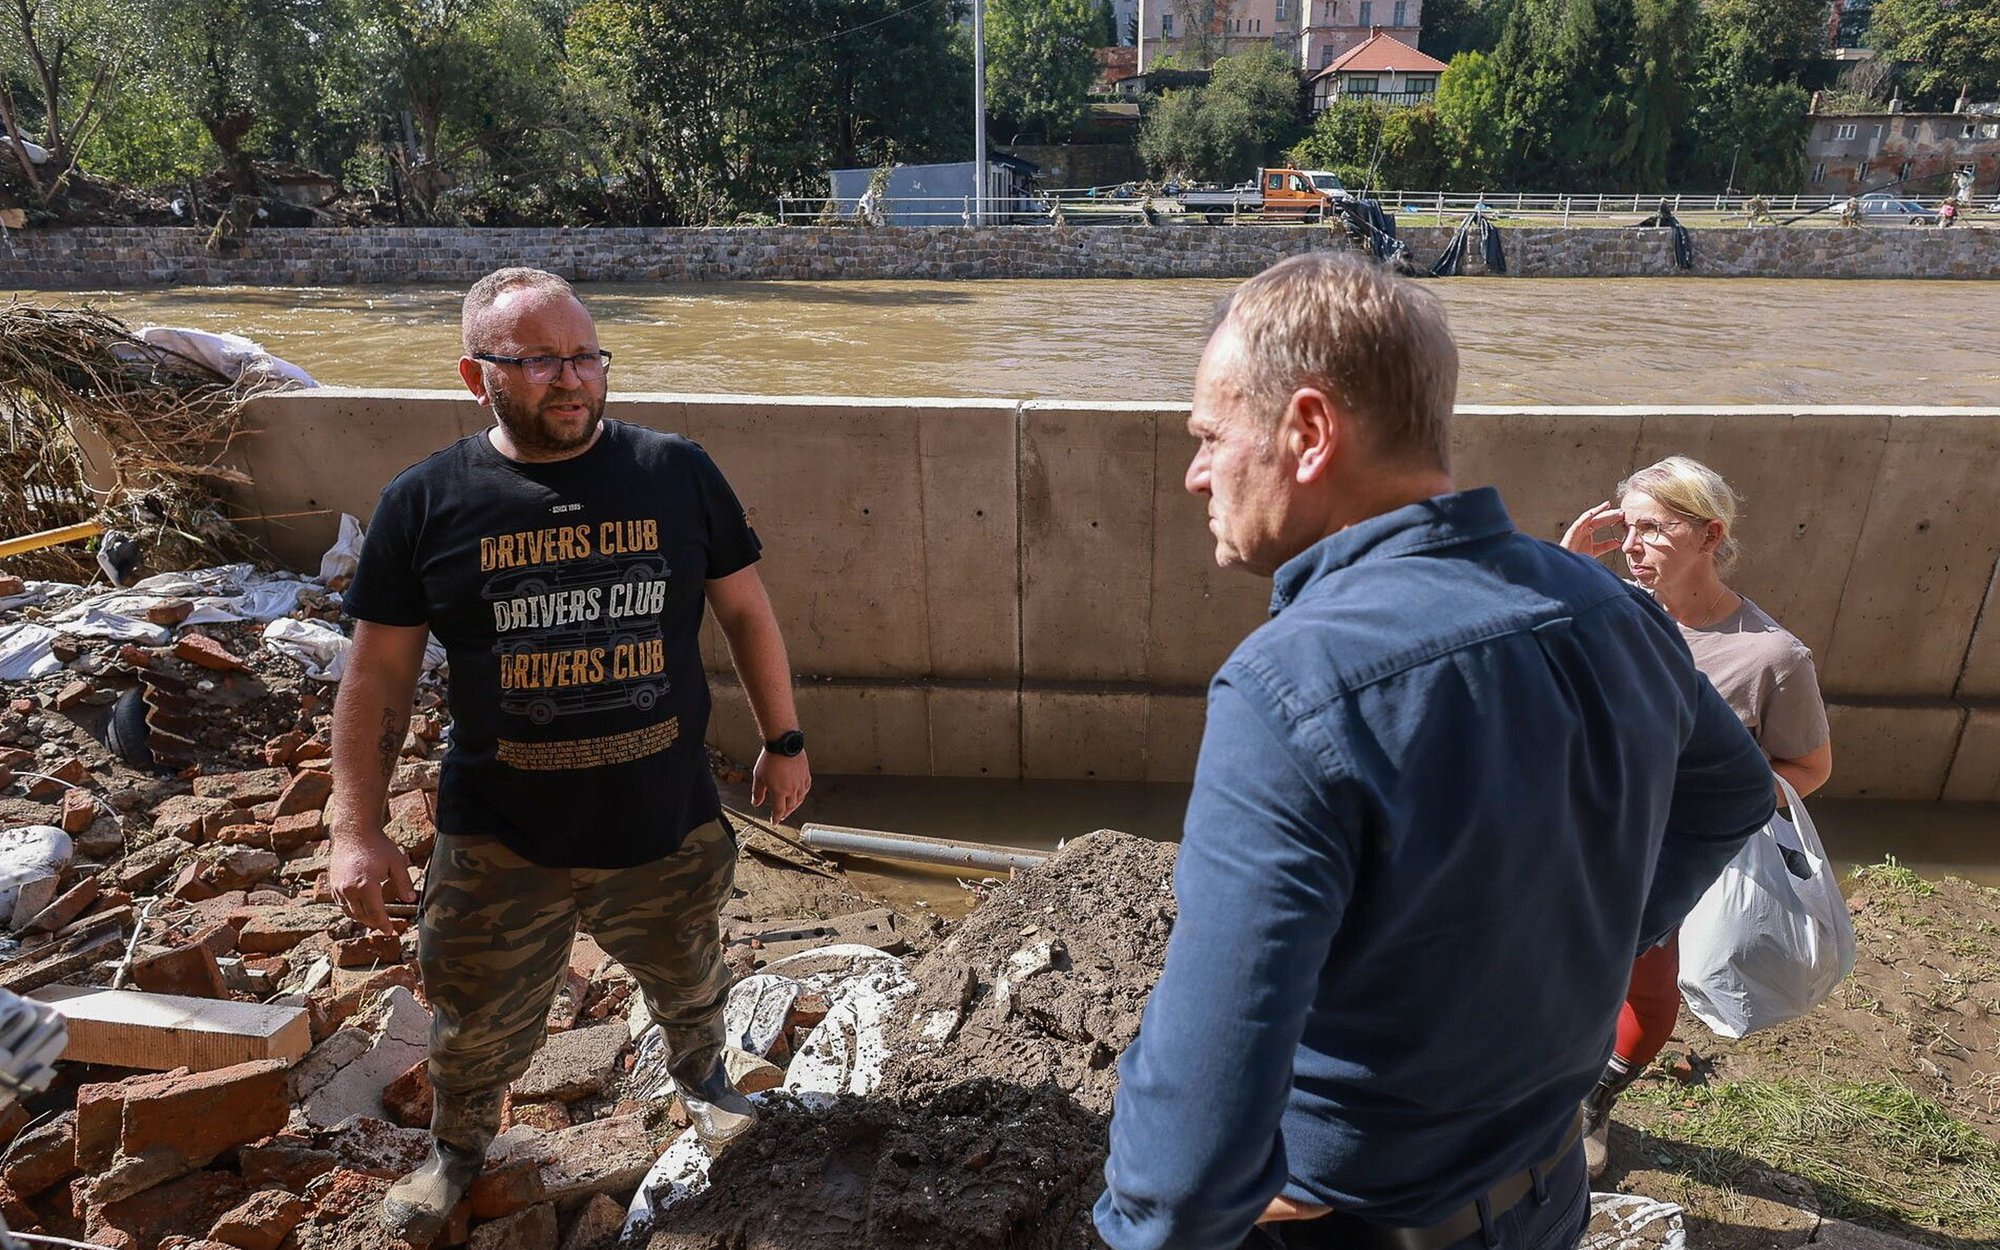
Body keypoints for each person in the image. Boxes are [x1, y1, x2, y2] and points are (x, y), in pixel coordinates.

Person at [1093, 253, 1777, 1250]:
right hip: (1540, 1199)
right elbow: (1729, 790)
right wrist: (1592, 945)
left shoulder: (1289, 686)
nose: (1195, 470)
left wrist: (1142, 1221)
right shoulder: (1607, 608)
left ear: (1309, 431)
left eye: (1208, 433)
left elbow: (1186, 1165)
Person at [327, 267, 811, 1245]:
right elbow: (376, 673)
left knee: (688, 977)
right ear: (476, 374)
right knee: (473, 1021)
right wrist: (355, 823)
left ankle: (704, 1083)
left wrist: (783, 737)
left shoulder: (676, 472)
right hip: (500, 842)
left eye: (584, 354)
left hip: (663, 824)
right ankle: (457, 1151)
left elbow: (745, 607)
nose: (571, 378)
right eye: (539, 359)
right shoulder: (423, 502)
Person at [1561, 457, 1833, 1179]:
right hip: (1577, 833)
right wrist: (1566, 574)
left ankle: (1593, 1103)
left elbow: (1810, 770)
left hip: (1669, 855)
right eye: (1625, 528)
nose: (1631, 545)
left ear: (1711, 534)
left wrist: (1717, 803)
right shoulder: (1609, 608)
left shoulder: (1770, 656)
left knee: (1645, 989)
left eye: (1652, 527)